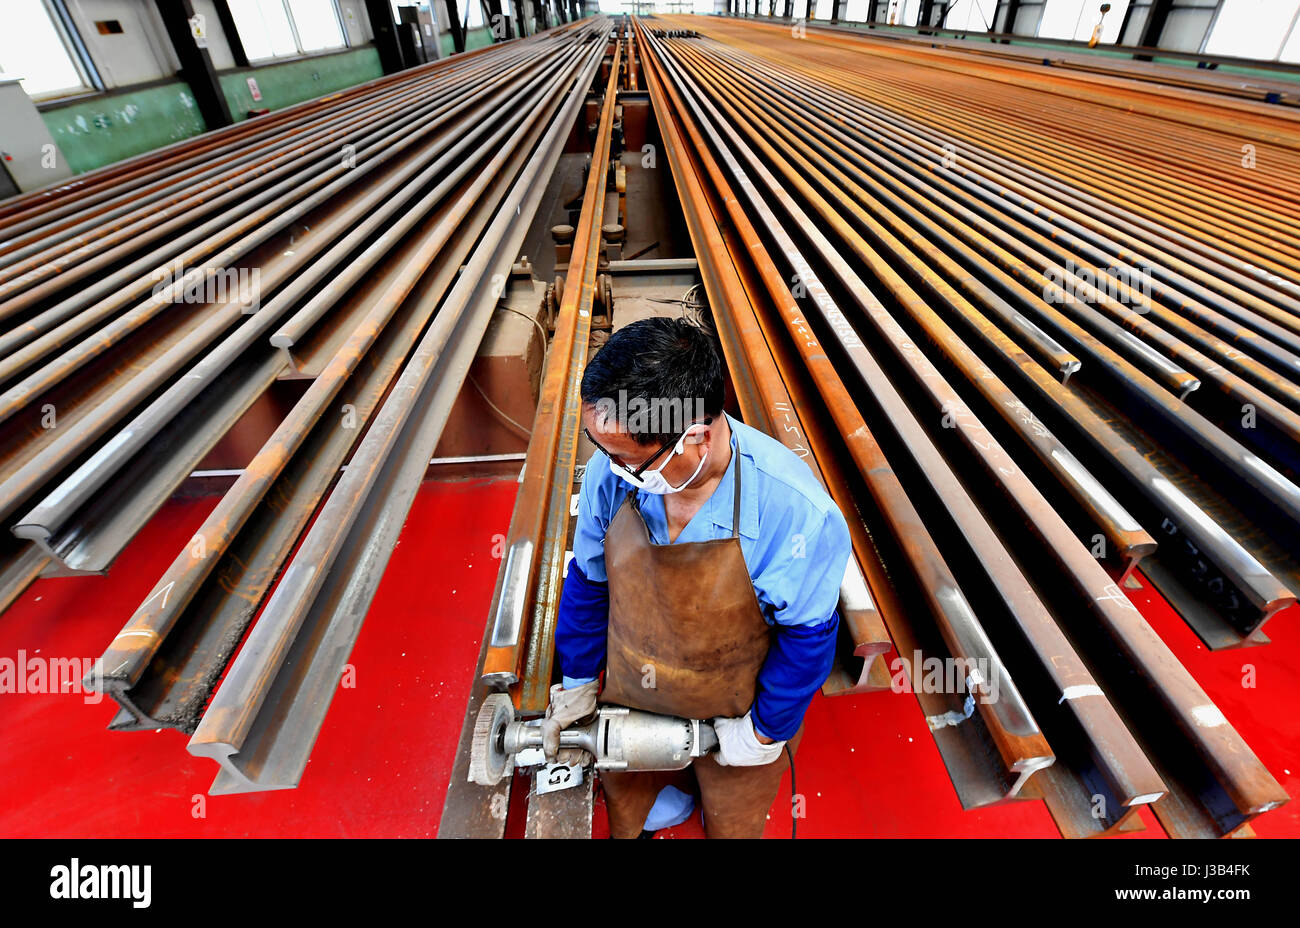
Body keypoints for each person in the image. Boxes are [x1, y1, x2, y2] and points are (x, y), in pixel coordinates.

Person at [544, 316, 851, 838]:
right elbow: (589, 583)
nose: (609, 467)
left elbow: (806, 640)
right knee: (630, 782)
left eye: (625, 458)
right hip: (636, 679)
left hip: (735, 697)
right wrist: (576, 679)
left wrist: (763, 730)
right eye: (603, 451)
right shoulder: (611, 475)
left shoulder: (797, 515)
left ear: (695, 437)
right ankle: (660, 798)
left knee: (734, 805)